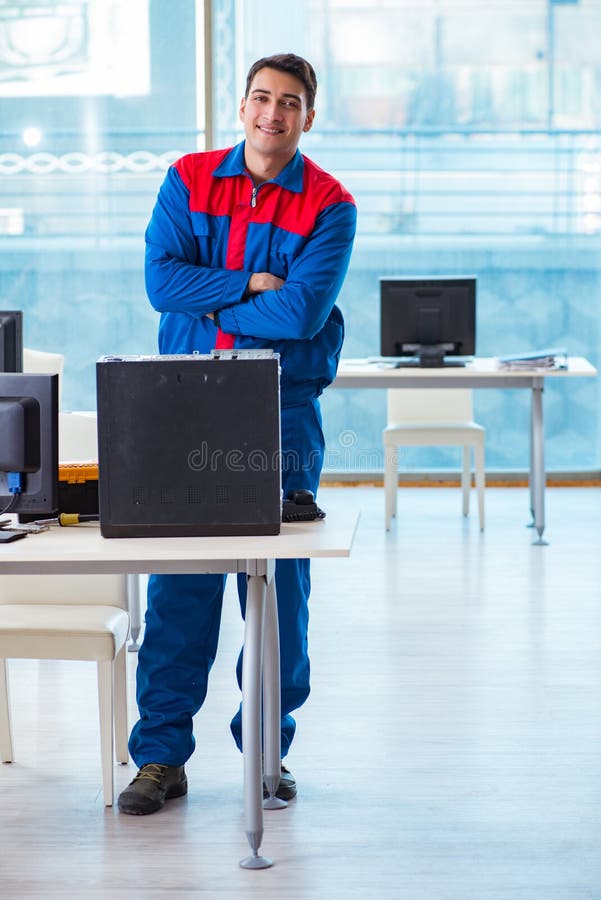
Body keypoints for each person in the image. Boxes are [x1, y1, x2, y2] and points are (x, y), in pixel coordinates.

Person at [118, 52, 357, 815]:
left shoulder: (328, 204)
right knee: (179, 594)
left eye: (289, 102)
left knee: (278, 599)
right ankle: (159, 760)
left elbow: (300, 317)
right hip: (184, 408)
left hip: (280, 418)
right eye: (261, 98)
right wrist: (249, 286)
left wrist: (210, 301)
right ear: (242, 105)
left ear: (307, 117)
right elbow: (162, 281)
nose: (271, 113)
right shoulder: (188, 178)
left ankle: (265, 753)